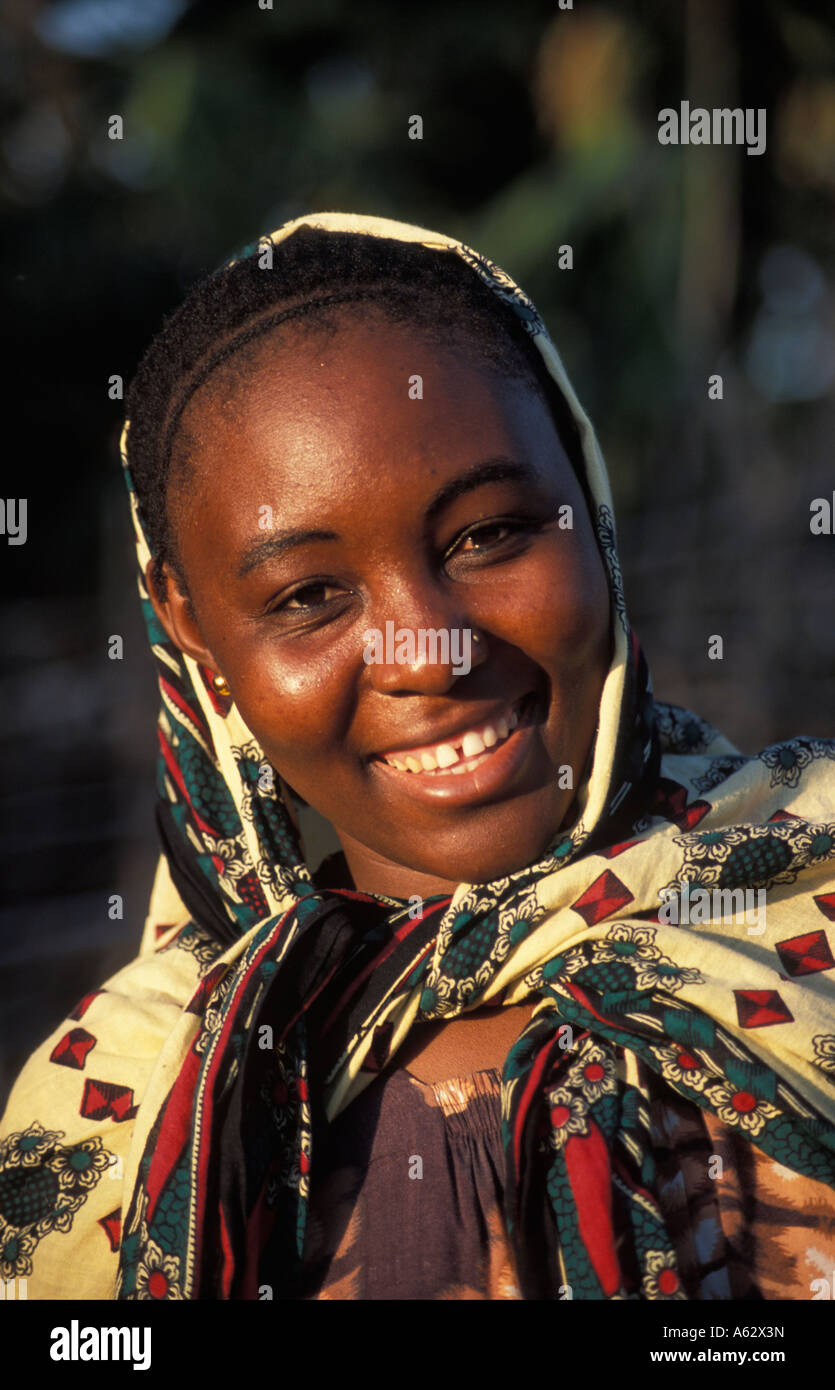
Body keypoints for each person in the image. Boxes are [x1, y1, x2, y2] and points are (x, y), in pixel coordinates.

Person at [2, 211, 835, 1302]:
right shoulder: (112, 1098)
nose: (427, 653)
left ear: (588, 500)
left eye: (489, 534)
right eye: (309, 596)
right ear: (189, 621)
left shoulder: (802, 897)